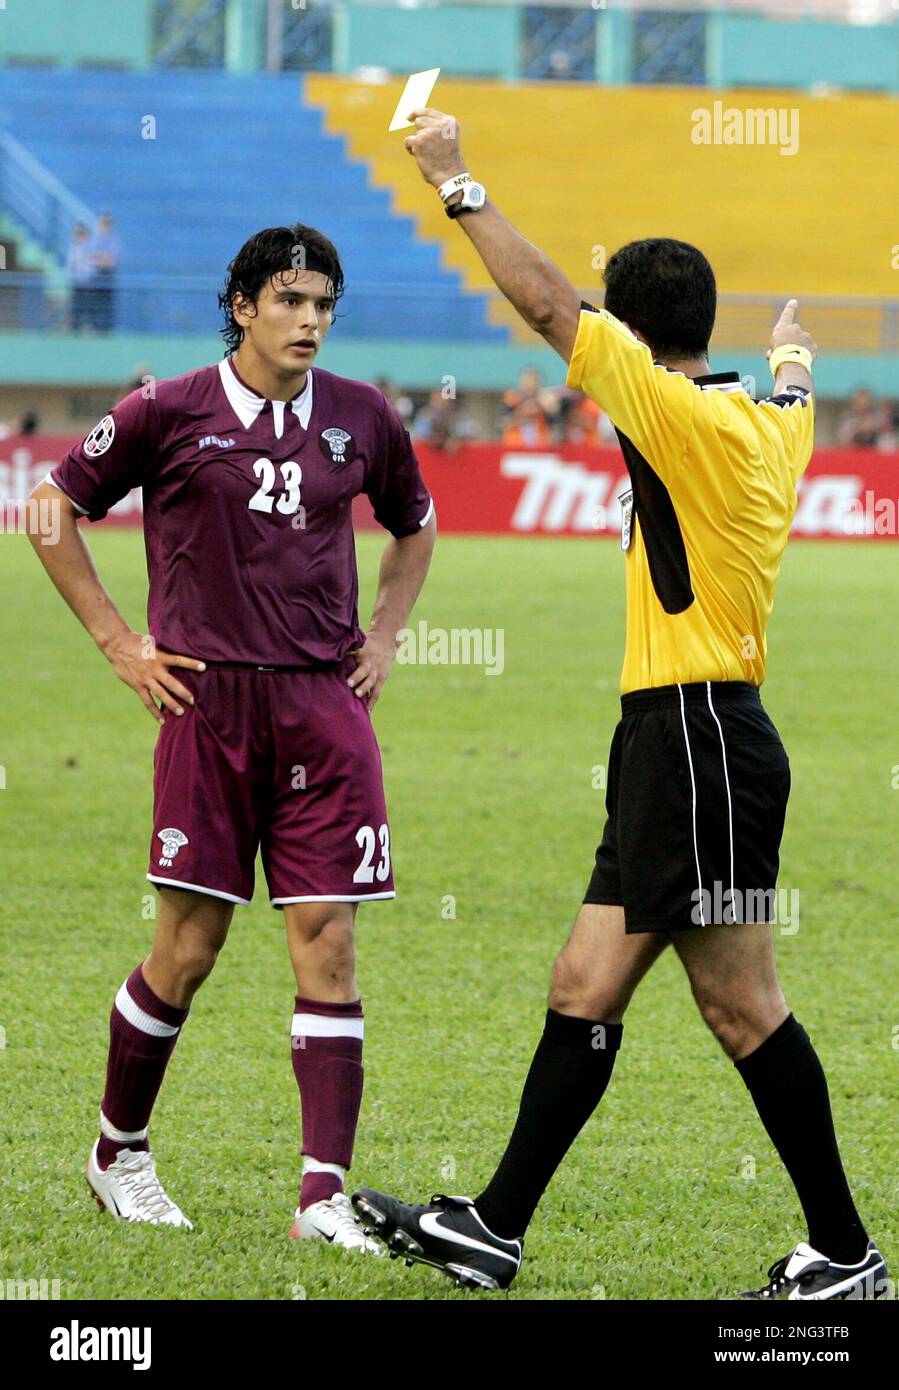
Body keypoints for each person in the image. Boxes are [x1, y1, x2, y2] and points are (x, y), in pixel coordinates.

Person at [350, 108, 887, 1302]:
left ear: (638, 335)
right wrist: (793, 348)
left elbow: (548, 308)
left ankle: (844, 1253)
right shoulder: (770, 421)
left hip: (694, 736)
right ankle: (491, 1226)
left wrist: (452, 179)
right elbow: (795, 385)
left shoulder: (677, 411)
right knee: (582, 985)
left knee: (739, 1003)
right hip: (689, 740)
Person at [27, 223, 436, 1251]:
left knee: (330, 944)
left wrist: (383, 635)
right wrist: (120, 642)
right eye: (290, 301)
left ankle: (320, 1198)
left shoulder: (362, 416)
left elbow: (414, 522)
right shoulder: (166, 410)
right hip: (205, 712)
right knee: (190, 948)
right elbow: (47, 511)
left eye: (324, 303)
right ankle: (118, 1152)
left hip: (323, 712)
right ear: (244, 306)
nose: (310, 321)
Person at [85, 212, 122, 332]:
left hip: (108, 277)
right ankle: (94, 329)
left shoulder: (115, 240)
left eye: (107, 224)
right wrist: (103, 258)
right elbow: (89, 257)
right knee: (93, 305)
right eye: (102, 223)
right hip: (95, 277)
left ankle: (106, 330)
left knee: (107, 306)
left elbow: (112, 261)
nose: (104, 226)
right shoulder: (93, 239)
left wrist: (100, 258)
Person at [66, 222, 95, 332]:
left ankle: (91, 331)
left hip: (89, 285)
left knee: (90, 310)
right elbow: (70, 267)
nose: (79, 236)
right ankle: (75, 331)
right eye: (77, 233)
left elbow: (92, 267)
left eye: (81, 233)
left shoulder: (92, 248)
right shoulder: (73, 249)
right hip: (77, 284)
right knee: (76, 310)